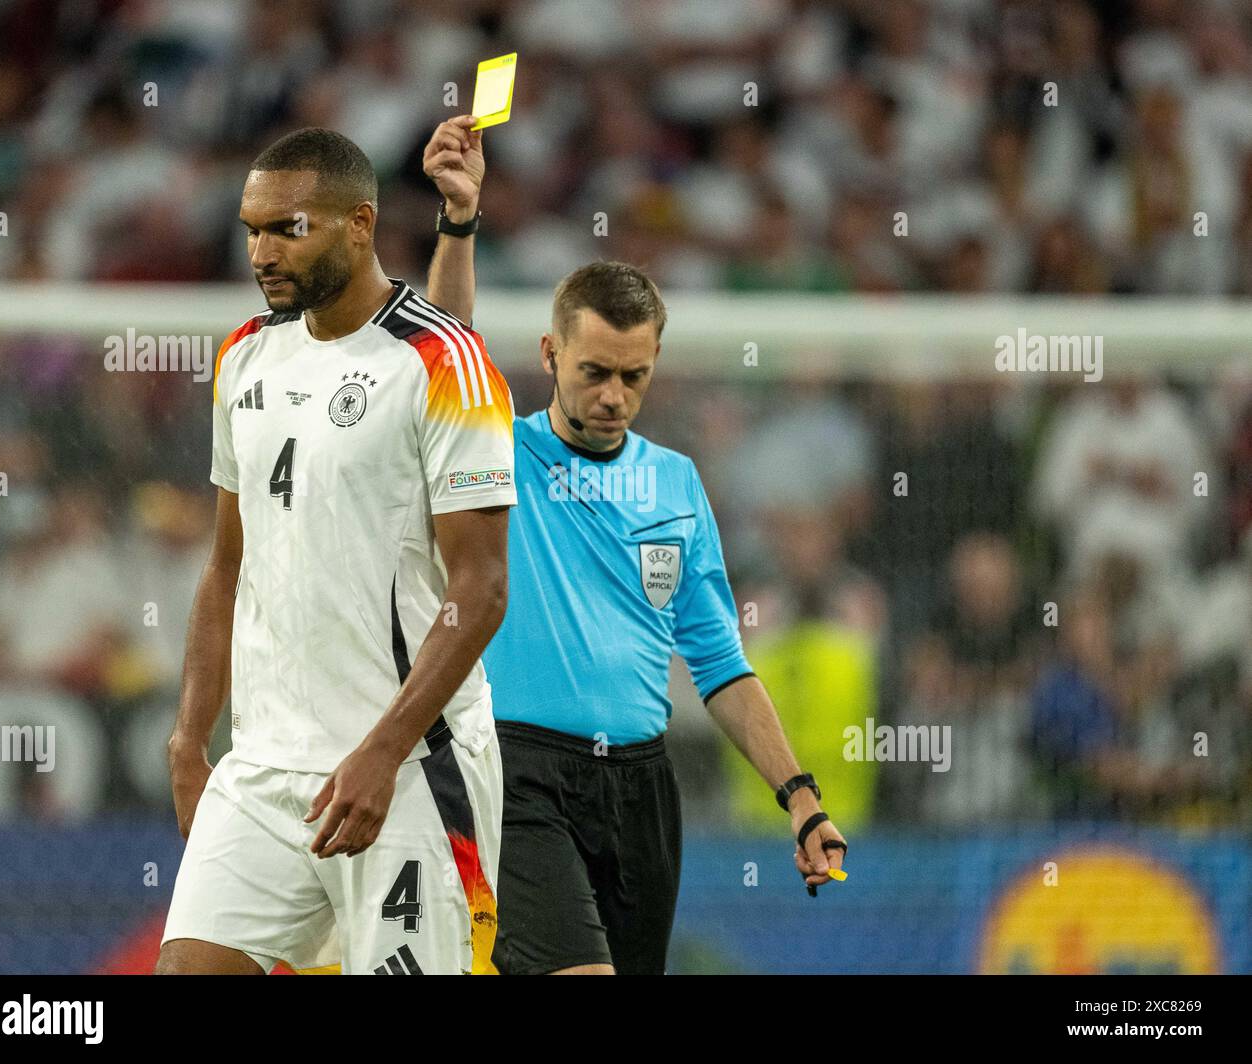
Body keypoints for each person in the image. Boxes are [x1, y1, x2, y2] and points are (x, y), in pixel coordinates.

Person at [421, 114, 848, 975]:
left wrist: (799, 799)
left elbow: (722, 664)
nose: (614, 396)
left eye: (634, 376)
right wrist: (460, 220)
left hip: (642, 791)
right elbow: (444, 347)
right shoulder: (502, 447)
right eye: (594, 372)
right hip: (520, 771)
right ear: (550, 355)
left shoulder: (677, 483)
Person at [156, 127, 516, 975]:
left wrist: (386, 749)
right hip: (263, 770)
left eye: (289, 228)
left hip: (410, 771)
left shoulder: (444, 361)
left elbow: (484, 585)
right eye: (251, 229)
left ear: (360, 224)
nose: (261, 252)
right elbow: (225, 568)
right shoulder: (244, 357)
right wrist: (186, 740)